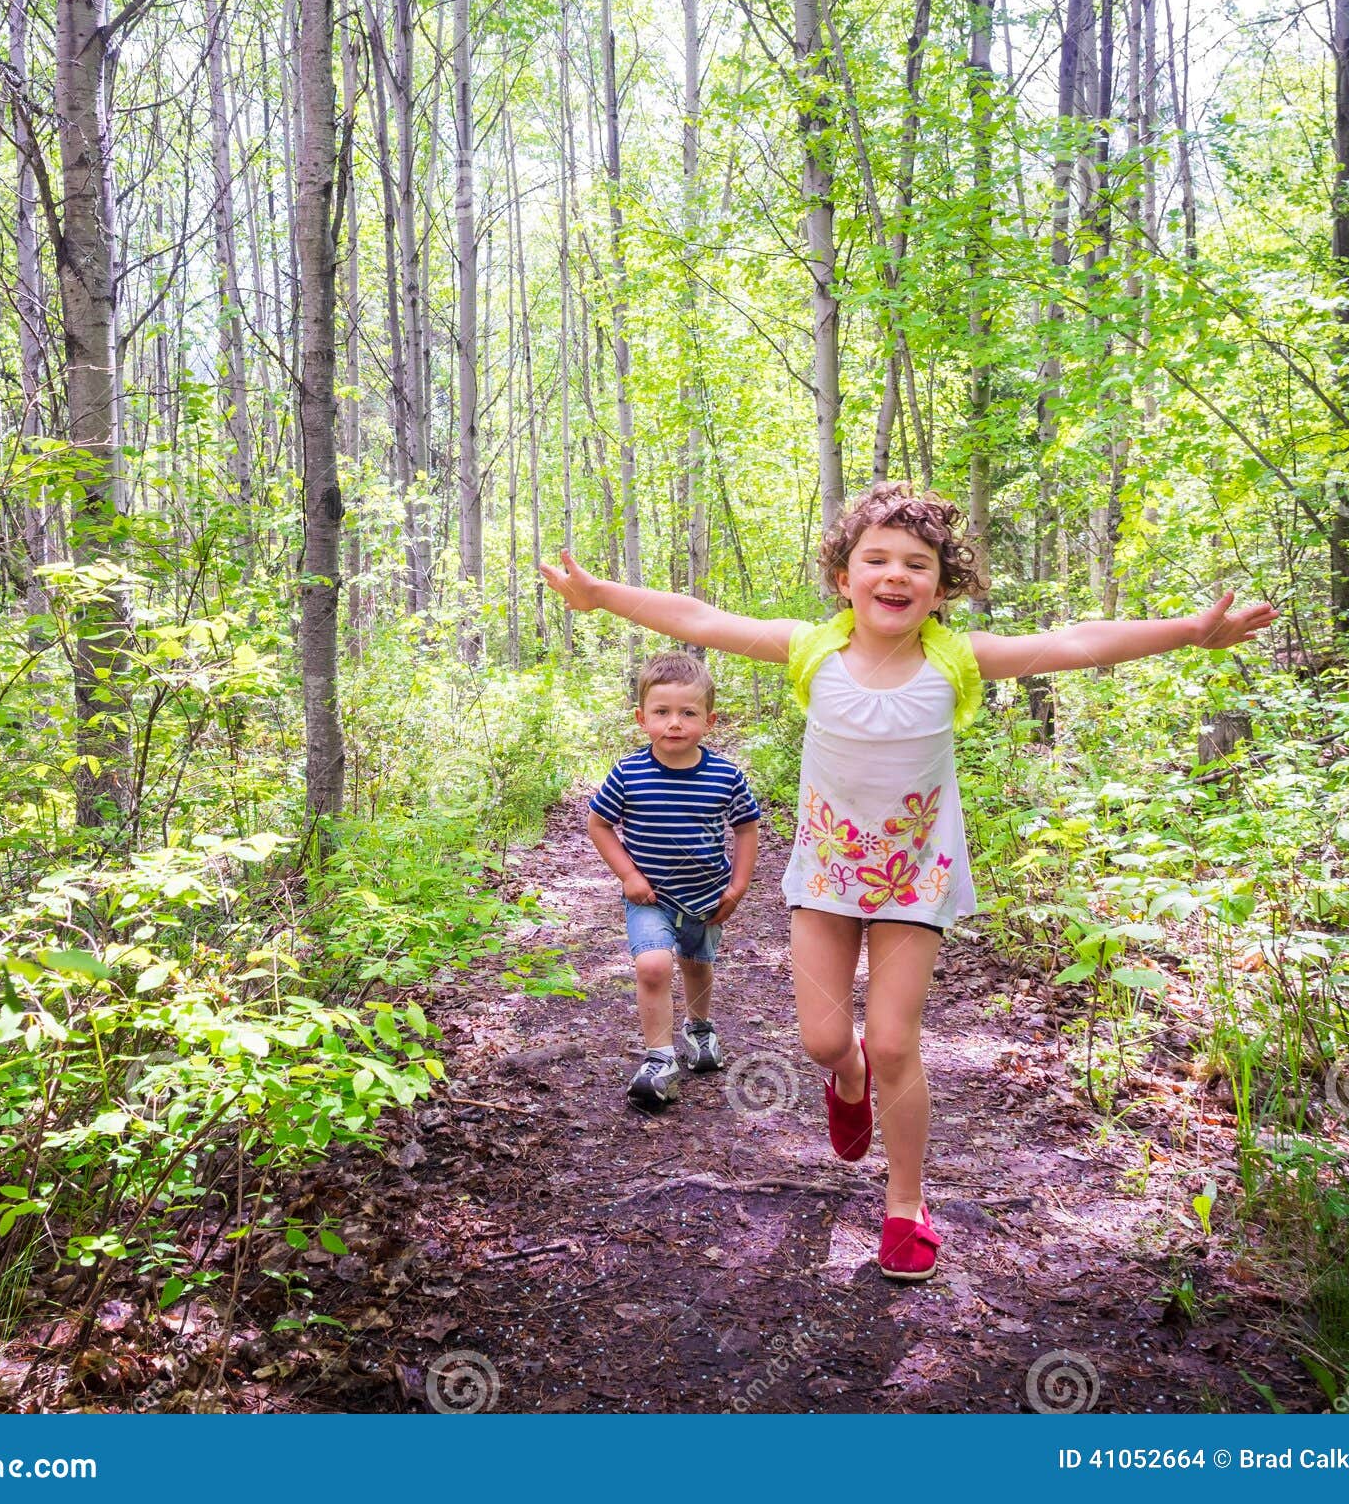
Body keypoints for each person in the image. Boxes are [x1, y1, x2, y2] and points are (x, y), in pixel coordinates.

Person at [545, 483, 1274, 1279]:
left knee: (896, 1043)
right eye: (877, 559)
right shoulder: (809, 649)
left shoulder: (957, 658)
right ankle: (848, 1080)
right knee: (828, 1042)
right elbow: (699, 618)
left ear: (942, 584)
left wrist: (1190, 634)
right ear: (844, 576)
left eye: (916, 565)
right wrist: (599, 594)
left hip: (912, 882)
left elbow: (1078, 641)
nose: (896, 576)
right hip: (826, 876)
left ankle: (905, 1203)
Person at [587, 651, 762, 1109]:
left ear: (710, 719)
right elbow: (599, 824)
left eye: (688, 713)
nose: (675, 723)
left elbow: (746, 828)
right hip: (650, 896)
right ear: (642, 717)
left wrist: (738, 886)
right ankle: (660, 1058)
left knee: (697, 963)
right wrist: (627, 875)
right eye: (662, 712)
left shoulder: (726, 776)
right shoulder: (628, 773)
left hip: (707, 896)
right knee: (653, 966)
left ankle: (699, 1028)